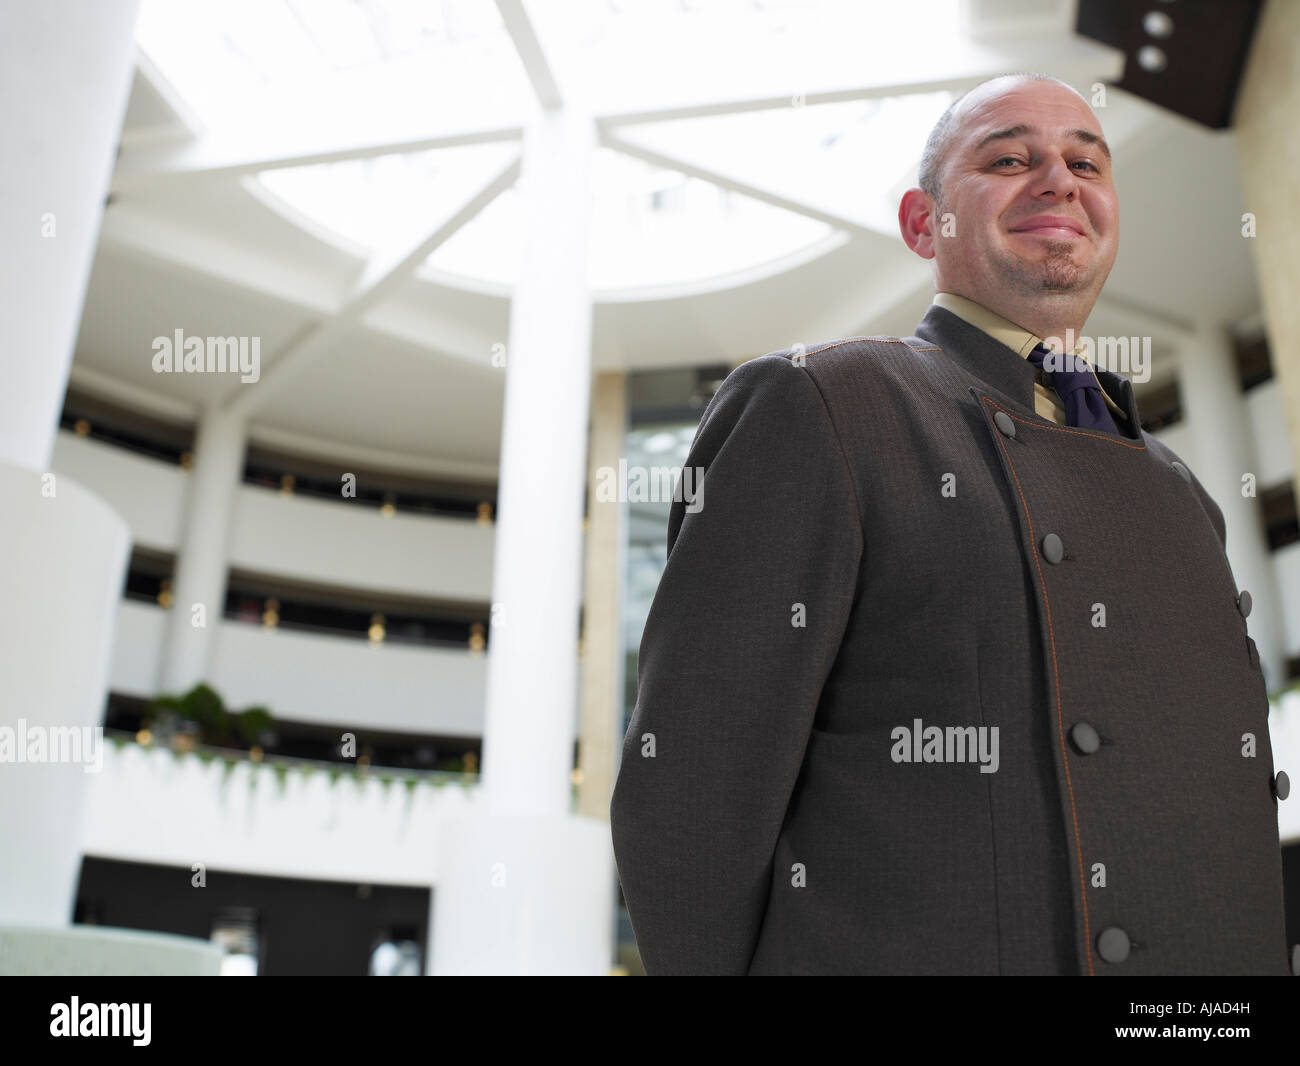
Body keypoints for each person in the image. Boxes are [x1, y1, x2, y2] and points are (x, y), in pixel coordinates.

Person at [609, 73, 1294, 976]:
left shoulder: (1177, 488)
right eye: (1009, 158)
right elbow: (690, 796)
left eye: (1087, 162)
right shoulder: (822, 401)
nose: (1059, 179)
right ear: (923, 224)